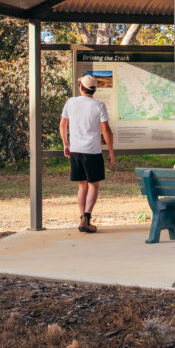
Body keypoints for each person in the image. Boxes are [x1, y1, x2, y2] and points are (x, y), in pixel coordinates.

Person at [60, 72, 115, 233]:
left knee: (82, 186)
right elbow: (106, 130)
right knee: (94, 185)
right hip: (92, 151)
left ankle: (82, 218)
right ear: (94, 90)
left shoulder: (71, 102)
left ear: (81, 87)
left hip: (76, 150)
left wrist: (66, 144)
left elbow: (63, 125)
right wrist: (111, 151)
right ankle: (86, 218)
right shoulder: (99, 106)